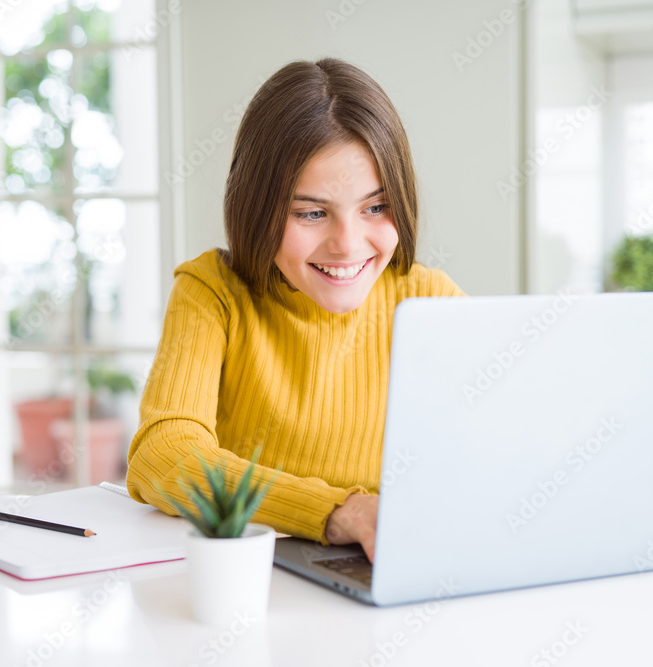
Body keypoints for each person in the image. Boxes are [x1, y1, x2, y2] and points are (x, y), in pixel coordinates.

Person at [125, 57, 465, 562]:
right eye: (311, 213)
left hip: (389, 571)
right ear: (257, 207)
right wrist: (336, 511)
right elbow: (162, 454)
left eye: (375, 207)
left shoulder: (430, 302)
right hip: (248, 578)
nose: (348, 245)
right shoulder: (212, 293)